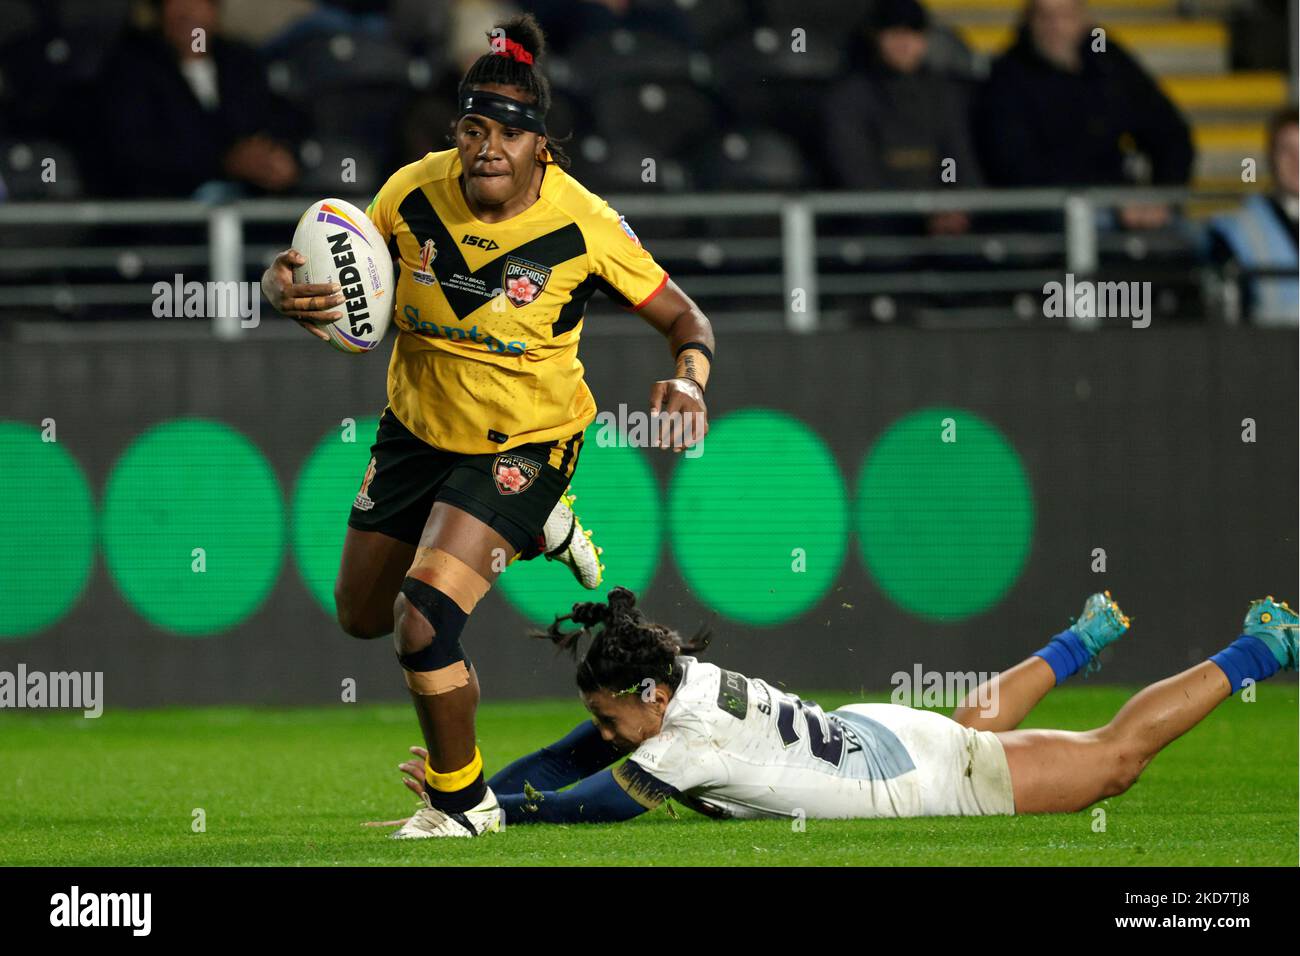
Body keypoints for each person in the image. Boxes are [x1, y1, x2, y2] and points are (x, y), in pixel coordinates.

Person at [261, 15, 714, 838]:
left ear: (544, 146)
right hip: (416, 430)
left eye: (510, 132)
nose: (489, 147)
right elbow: (332, 262)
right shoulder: (407, 191)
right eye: (474, 128)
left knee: (422, 622)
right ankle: (549, 529)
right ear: (457, 133)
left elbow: (687, 319)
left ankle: (463, 805)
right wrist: (279, 284)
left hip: (525, 444)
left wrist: (689, 381)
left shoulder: (587, 226)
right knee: (361, 614)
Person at [384, 587, 1296, 829]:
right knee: (963, 726)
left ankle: (1263, 642)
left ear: (650, 698)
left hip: (920, 774)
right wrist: (473, 793)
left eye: (618, 719)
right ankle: (1078, 643)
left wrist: (500, 814)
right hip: (875, 733)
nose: (609, 732)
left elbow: (597, 799)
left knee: (1112, 763)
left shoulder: (685, 737)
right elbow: (565, 758)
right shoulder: (677, 686)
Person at [976, 0, 1194, 230]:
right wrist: (1113, 203)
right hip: (1050, 216)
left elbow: (1171, 134)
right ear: (1028, 21)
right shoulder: (1007, 76)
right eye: (1045, 17)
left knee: (1205, 238)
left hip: (1121, 205)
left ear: (1084, 18)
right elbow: (1015, 168)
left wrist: (1161, 198)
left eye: (1066, 16)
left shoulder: (1106, 59)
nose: (1056, 27)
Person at [95, 0, 303, 198]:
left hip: (250, 208)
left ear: (214, 9)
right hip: (167, 215)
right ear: (159, 10)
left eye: (199, 2)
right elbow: (134, 151)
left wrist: (278, 157)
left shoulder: (241, 63)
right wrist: (225, 162)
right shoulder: (130, 66)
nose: (188, 11)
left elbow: (277, 121)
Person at [823, 0, 982, 236]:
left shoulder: (945, 95)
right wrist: (922, 216)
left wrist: (955, 207)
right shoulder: (848, 98)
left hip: (945, 224)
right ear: (875, 36)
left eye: (913, 32)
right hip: (878, 227)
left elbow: (956, 162)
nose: (904, 42)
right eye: (894, 32)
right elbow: (859, 175)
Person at [1207, 108, 1299, 327]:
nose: (1297, 161)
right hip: (1267, 350)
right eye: (1287, 150)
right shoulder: (1238, 227)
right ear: (1271, 158)